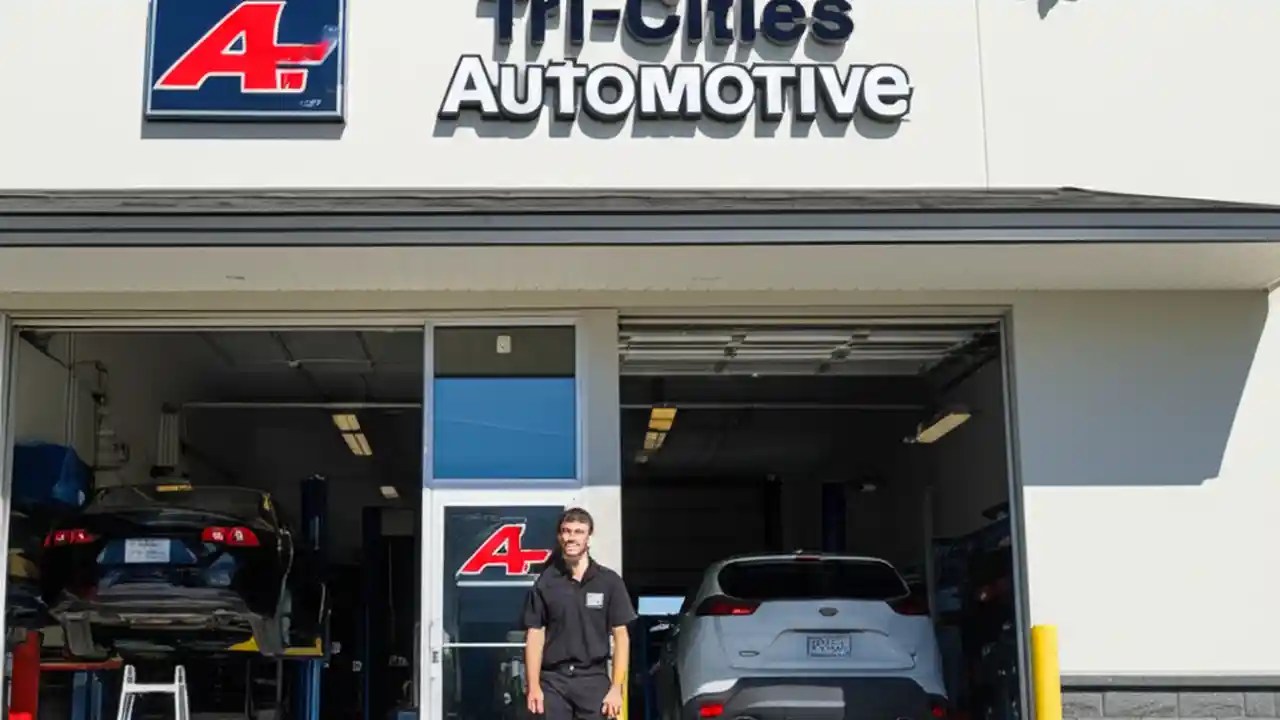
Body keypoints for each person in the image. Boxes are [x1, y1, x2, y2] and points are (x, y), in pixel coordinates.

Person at [521, 507, 637, 720]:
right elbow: (534, 635)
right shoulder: (545, 582)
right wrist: (534, 685)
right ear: (559, 536)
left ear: (588, 538)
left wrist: (616, 689)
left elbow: (621, 637)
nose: (571, 537)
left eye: (578, 531)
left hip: (593, 679)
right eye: (566, 531)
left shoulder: (609, 582)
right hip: (553, 681)